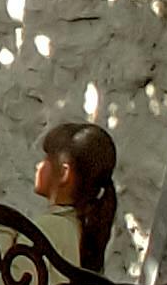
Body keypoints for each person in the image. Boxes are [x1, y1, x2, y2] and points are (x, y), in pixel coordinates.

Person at [36, 116, 119, 271]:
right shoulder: (77, 228)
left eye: (46, 158)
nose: (38, 165)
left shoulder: (49, 227)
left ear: (64, 173)